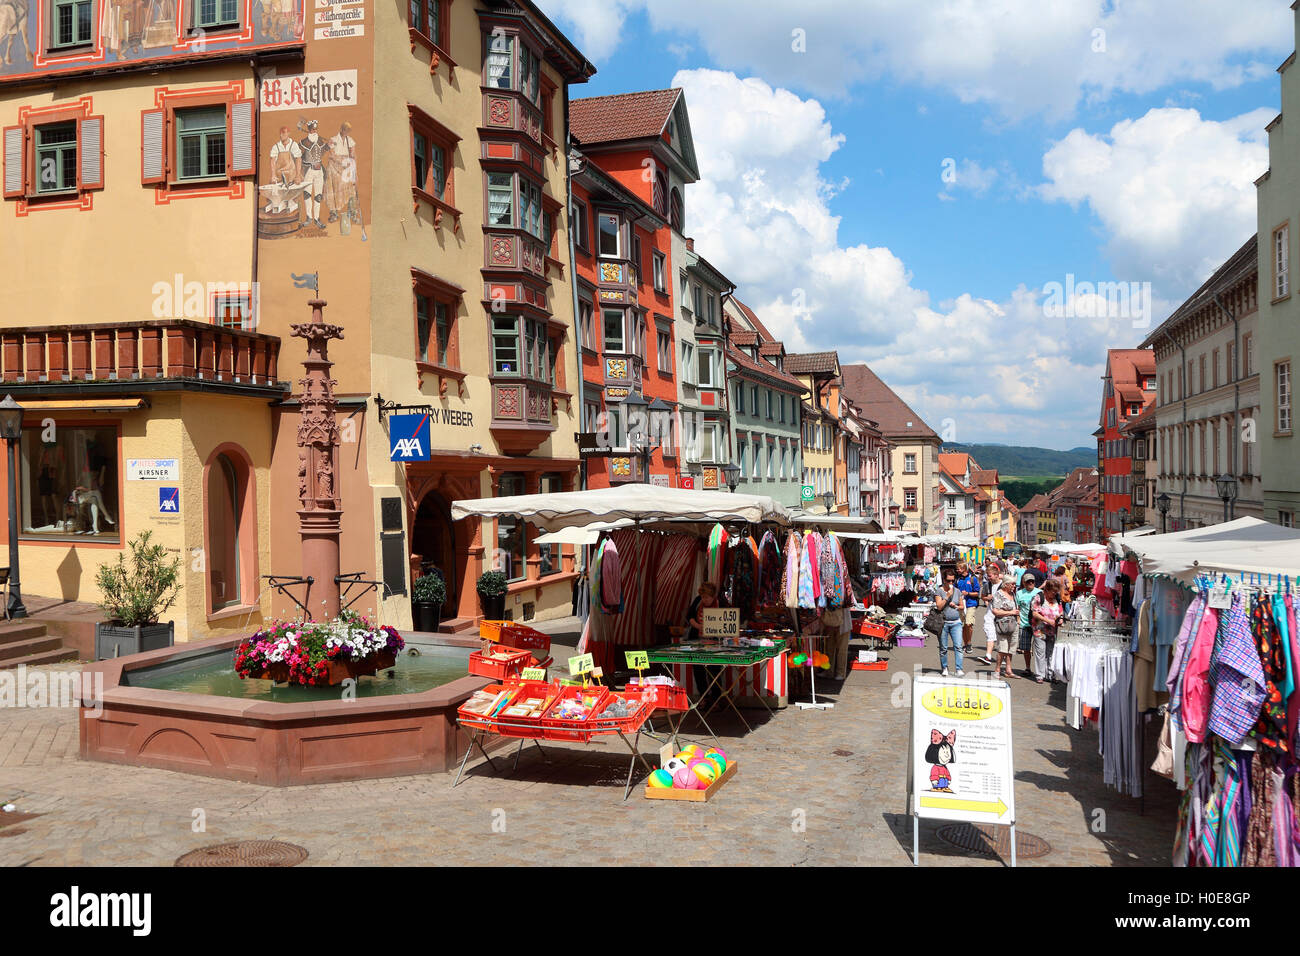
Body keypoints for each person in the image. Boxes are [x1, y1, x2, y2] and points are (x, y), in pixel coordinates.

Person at [1030, 578, 1065, 684]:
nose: (1054, 594)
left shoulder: (1057, 598)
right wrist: (1048, 621)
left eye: (1056, 592)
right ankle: (1040, 675)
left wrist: (1061, 619)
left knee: (1051, 653)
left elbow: (1060, 610)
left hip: (1052, 630)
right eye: (1053, 591)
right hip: (1039, 629)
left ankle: (1050, 674)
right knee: (1040, 652)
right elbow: (1034, 613)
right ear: (1047, 590)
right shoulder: (1039, 597)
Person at [934, 569, 965, 677]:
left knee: (958, 646)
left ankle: (959, 668)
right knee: (943, 647)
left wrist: (956, 606)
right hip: (943, 623)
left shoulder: (957, 591)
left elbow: (962, 606)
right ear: (944, 580)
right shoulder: (939, 591)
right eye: (948, 581)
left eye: (953, 580)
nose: (951, 583)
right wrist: (947, 596)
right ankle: (945, 667)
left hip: (956, 622)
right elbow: (939, 606)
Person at [991, 577, 1020, 678]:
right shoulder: (999, 594)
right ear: (1006, 584)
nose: (1014, 586)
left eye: (1014, 584)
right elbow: (995, 611)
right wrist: (1010, 612)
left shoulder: (1013, 594)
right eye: (1012, 584)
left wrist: (1018, 620)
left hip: (1014, 624)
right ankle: (997, 670)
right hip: (1003, 624)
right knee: (1002, 648)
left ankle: (1008, 670)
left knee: (1011, 649)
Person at [1015, 572, 1041, 678]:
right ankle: (1028, 668)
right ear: (1024, 583)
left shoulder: (1039, 592)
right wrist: (1018, 620)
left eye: (1032, 581)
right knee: (1026, 648)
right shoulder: (1020, 593)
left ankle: (1040, 670)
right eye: (1028, 582)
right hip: (1024, 624)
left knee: (1039, 649)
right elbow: (1018, 608)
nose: (1030, 583)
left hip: (1038, 624)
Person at [978, 560, 1004, 665]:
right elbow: (982, 596)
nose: (988, 578)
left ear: (997, 575)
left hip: (1002, 611)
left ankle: (1003, 657)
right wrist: (987, 598)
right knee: (989, 632)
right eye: (987, 576)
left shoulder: (1003, 585)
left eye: (990, 576)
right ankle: (988, 656)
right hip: (991, 611)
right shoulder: (987, 585)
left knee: (1002, 634)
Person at [955, 561, 980, 657]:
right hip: (961, 604)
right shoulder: (957, 580)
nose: (957, 570)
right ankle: (965, 644)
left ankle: (969, 643)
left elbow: (977, 593)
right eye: (957, 568)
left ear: (964, 569)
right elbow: (954, 590)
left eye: (959, 568)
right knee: (963, 625)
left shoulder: (973, 578)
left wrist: (968, 594)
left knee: (969, 623)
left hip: (971, 604)